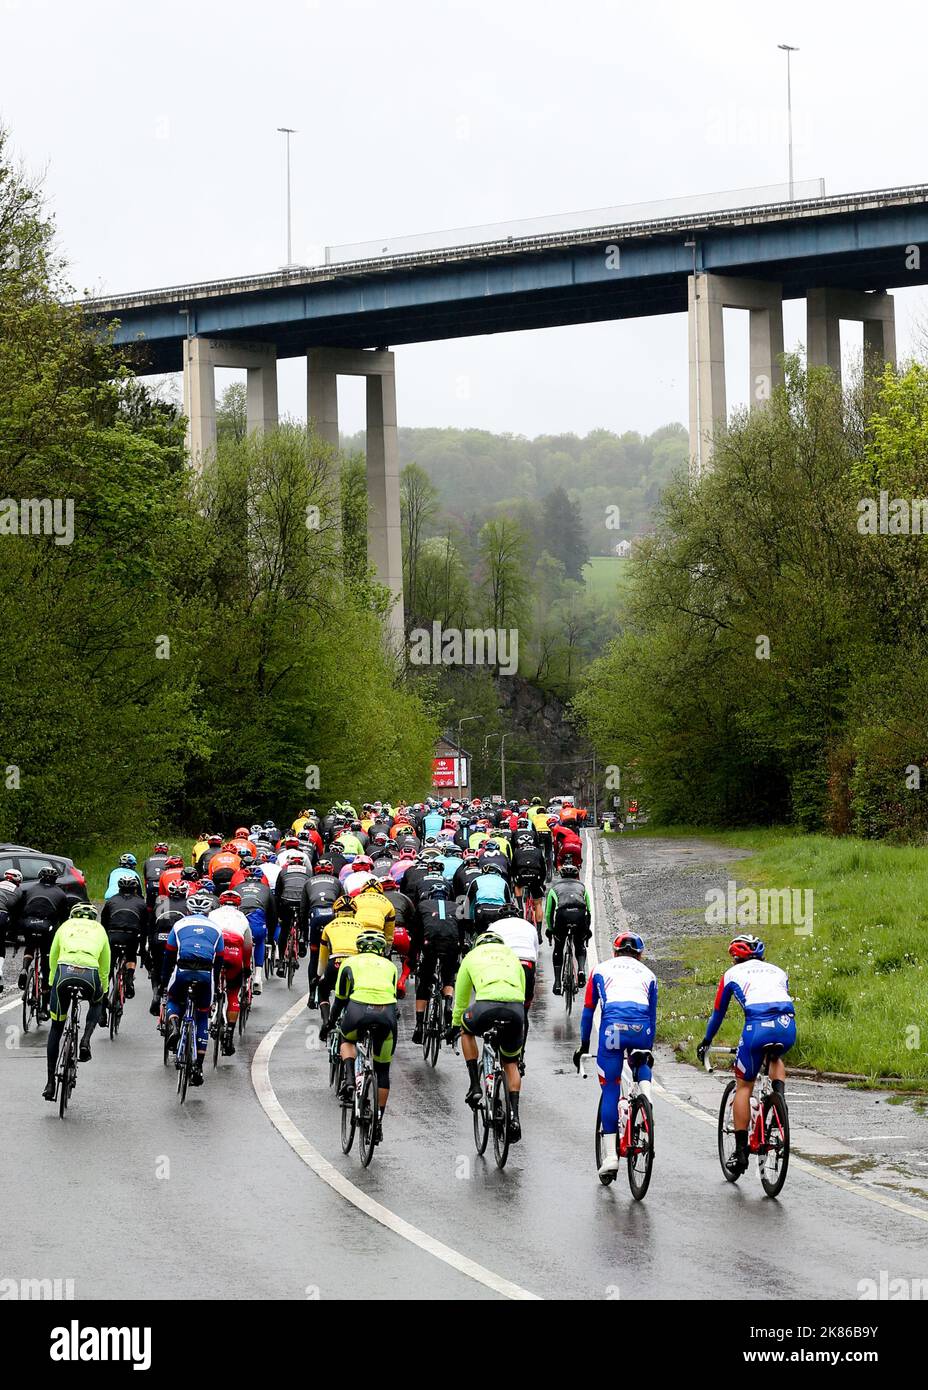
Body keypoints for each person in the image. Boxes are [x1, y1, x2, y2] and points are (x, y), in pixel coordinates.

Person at [696, 934, 796, 1178]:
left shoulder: (731, 975)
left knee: (744, 1085)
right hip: (787, 1026)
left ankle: (741, 1153)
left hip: (757, 1028)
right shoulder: (778, 971)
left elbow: (718, 1014)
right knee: (774, 1057)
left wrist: (706, 1042)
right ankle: (778, 1106)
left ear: (735, 957)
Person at [573, 932, 657, 1178]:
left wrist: (584, 1045)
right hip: (641, 1028)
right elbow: (652, 1015)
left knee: (611, 1088)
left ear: (614, 952)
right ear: (640, 955)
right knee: (641, 1057)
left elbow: (588, 1012)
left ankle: (611, 1156)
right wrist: (647, 1048)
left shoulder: (600, 969)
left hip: (614, 1030)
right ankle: (646, 1099)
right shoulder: (649, 974)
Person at [450, 929, 526, 1143]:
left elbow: (462, 997)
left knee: (467, 1029)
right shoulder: (512, 956)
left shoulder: (471, 957)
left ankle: (475, 1085)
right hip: (514, 1010)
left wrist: (456, 1025)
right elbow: (524, 991)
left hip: (486, 1008)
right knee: (510, 1062)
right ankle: (514, 1117)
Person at [322, 929, 398, 1141]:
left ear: (359, 948)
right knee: (383, 1070)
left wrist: (329, 1024)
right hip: (386, 1014)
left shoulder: (349, 963)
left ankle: (348, 1078)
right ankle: (378, 1123)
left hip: (357, 1011)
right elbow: (392, 994)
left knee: (347, 1040)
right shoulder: (391, 966)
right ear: (382, 950)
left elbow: (340, 999)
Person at [42, 903, 111, 1102]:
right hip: (90, 973)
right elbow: (105, 967)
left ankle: (49, 1083)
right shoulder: (100, 929)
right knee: (96, 1003)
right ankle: (85, 1040)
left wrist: (52, 984)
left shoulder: (65, 926)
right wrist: (103, 993)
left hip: (64, 972)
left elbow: (53, 957)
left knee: (56, 1027)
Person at [161, 893, 226, 1086]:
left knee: (173, 997)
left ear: (188, 910)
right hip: (206, 974)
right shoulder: (216, 929)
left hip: (182, 970)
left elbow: (169, 954)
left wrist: (165, 981)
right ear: (208, 912)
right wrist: (211, 983)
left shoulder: (179, 925)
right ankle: (197, 1066)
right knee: (203, 1016)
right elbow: (219, 960)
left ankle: (174, 1024)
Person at [19, 865, 70, 1019]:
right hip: (47, 927)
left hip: (28, 923)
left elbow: (21, 909)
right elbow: (63, 919)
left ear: (40, 876)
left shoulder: (30, 889)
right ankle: (43, 1007)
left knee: (30, 947)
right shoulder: (61, 893)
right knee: (46, 964)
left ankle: (24, 969)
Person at [411, 884, 459, 1044]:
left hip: (430, 943)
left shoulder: (423, 905)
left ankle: (419, 1026)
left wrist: (412, 959)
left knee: (424, 981)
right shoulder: (456, 906)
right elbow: (463, 930)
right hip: (451, 943)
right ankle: (448, 1005)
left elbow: (416, 934)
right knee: (448, 976)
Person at [99, 873, 147, 1024]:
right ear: (135, 889)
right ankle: (129, 979)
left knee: (107, 970)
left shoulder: (111, 901)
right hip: (132, 936)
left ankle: (102, 1008)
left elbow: (104, 923)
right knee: (131, 955)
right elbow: (145, 927)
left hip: (113, 935)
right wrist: (143, 948)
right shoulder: (141, 902)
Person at [210, 890, 253, 1054]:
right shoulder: (242, 918)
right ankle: (229, 1033)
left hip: (217, 952)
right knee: (233, 993)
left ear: (220, 903)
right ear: (238, 905)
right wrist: (247, 967)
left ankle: (210, 1006)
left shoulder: (212, 914)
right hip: (235, 953)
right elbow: (248, 946)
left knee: (209, 984)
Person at [544, 863, 592, 992]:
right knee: (579, 943)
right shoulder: (582, 887)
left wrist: (551, 929)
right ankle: (581, 969)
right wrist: (587, 928)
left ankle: (558, 983)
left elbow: (548, 913)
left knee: (559, 948)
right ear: (576, 875)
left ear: (561, 875)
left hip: (562, 917)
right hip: (580, 916)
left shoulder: (555, 888)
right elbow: (589, 909)